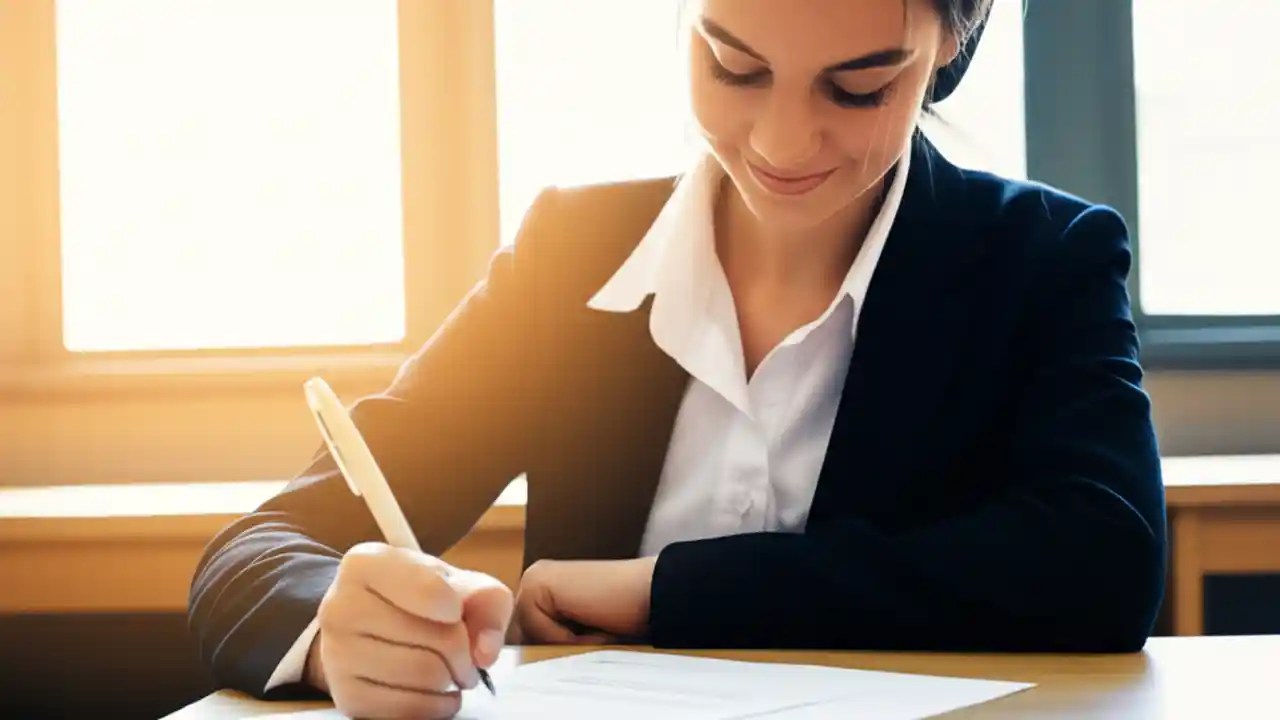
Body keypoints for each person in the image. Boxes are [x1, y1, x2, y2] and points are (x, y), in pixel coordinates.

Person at [189, 0, 1168, 717]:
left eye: (858, 86)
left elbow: (1102, 566)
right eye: (732, 67)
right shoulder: (570, 257)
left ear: (950, 43)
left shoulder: (1043, 261)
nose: (783, 141)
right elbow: (257, 553)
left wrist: (662, 591)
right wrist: (337, 632)